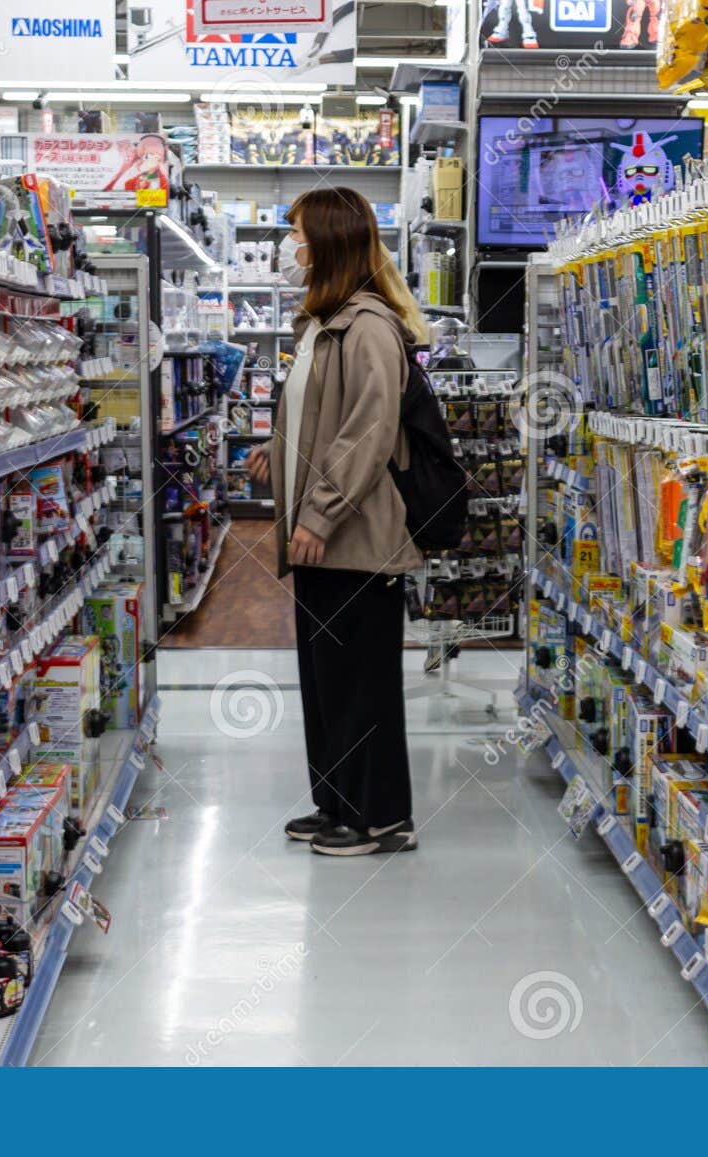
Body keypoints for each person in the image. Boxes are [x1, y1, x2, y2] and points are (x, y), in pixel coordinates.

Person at [244, 187, 427, 856]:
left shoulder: (368, 326)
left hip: (357, 539)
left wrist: (317, 513)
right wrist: (276, 453)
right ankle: (336, 802)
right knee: (327, 682)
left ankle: (378, 817)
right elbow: (321, 418)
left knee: (361, 684)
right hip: (323, 541)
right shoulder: (325, 323)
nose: (289, 250)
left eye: (296, 236)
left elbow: (368, 433)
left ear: (327, 242)